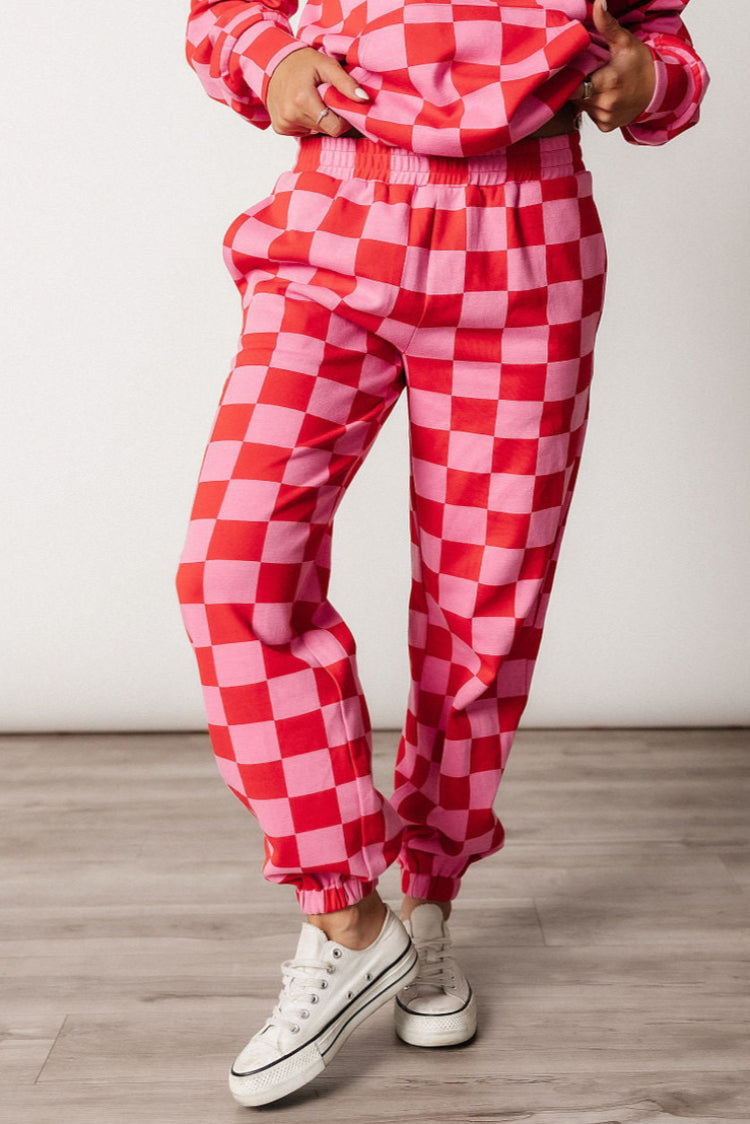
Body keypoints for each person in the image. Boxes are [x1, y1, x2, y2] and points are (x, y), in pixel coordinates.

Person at [176, 0, 708, 1107]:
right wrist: (270, 59)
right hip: (341, 208)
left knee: (484, 611)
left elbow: (663, 41)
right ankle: (349, 915)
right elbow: (226, 11)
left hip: (530, 230)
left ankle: (425, 911)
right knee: (235, 565)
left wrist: (649, 80)